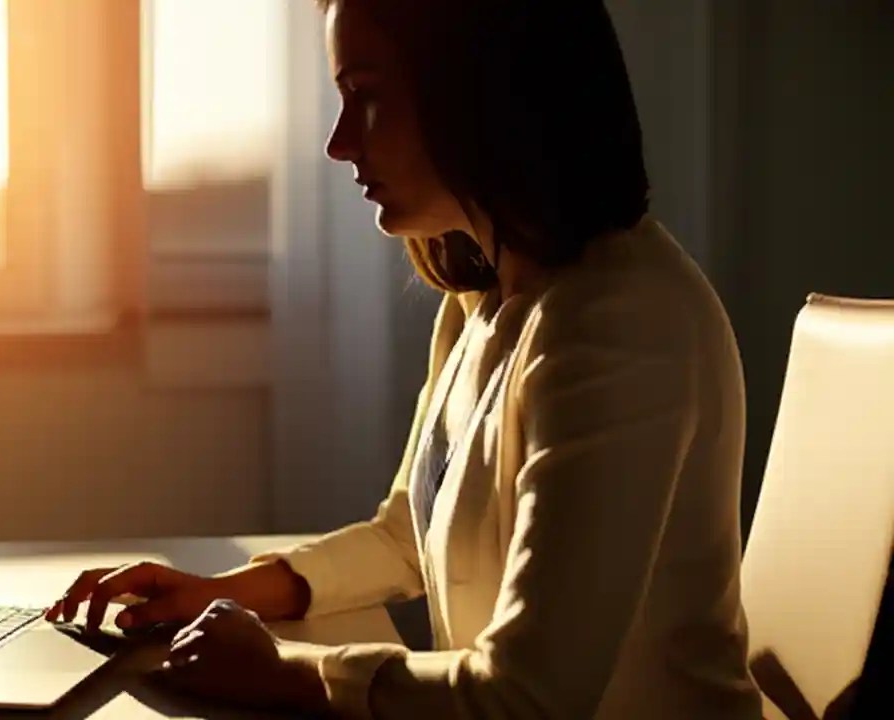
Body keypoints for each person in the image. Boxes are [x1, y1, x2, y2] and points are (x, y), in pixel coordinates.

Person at [46, 0, 763, 717]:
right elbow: (406, 539)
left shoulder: (618, 324)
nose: (338, 142)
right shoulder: (487, 294)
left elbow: (529, 696)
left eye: (367, 97)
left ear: (484, 92)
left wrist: (282, 669)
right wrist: (218, 592)